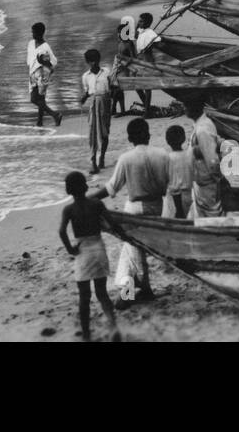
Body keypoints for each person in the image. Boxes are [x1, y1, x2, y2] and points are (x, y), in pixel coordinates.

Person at [88, 118, 169, 307]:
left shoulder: (126, 158)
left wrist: (90, 199)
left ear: (130, 138)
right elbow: (169, 186)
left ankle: (129, 293)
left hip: (135, 209)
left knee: (131, 250)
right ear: (148, 134)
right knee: (133, 249)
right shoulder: (162, 155)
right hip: (157, 207)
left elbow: (111, 188)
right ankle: (144, 289)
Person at [58, 171, 121, 342]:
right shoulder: (97, 204)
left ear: (68, 190)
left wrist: (70, 249)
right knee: (102, 293)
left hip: (83, 251)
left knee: (84, 296)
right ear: (85, 186)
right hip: (99, 249)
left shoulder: (69, 209)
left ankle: (86, 335)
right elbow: (113, 224)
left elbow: (62, 231)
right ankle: (113, 326)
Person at [185, 97, 228, 217]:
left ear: (194, 109)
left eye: (187, 106)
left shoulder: (202, 129)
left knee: (210, 213)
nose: (185, 110)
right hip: (202, 178)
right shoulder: (202, 124)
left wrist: (218, 178)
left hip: (207, 180)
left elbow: (212, 159)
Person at [80, 49, 113, 173]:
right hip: (93, 104)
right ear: (89, 62)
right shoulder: (86, 76)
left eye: (96, 61)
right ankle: (93, 161)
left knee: (104, 132)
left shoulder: (106, 72)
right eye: (91, 62)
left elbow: (112, 87)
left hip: (105, 103)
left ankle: (102, 157)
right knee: (92, 133)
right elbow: (88, 91)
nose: (94, 63)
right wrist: (84, 97)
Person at [27, 22, 62, 126]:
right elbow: (30, 59)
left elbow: (54, 61)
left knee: (34, 99)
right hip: (33, 73)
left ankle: (55, 114)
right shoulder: (31, 43)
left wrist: (45, 63)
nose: (32, 34)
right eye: (32, 32)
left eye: (34, 32)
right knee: (40, 99)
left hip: (43, 74)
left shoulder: (45, 47)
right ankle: (40, 121)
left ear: (40, 33)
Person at [133, 13, 164, 116]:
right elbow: (134, 35)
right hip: (140, 61)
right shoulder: (141, 32)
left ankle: (147, 111)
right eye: (139, 21)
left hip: (148, 62)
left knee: (147, 87)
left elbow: (160, 43)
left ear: (146, 22)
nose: (139, 22)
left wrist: (153, 43)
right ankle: (147, 107)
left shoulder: (151, 33)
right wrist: (138, 25)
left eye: (141, 21)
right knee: (137, 86)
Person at [163, 125, 194, 219]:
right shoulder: (190, 157)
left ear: (167, 141)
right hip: (189, 196)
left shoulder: (166, 160)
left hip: (173, 200)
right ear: (184, 139)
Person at [110, 18, 135, 117]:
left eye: (120, 32)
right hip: (119, 68)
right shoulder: (120, 43)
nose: (119, 34)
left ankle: (115, 109)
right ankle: (118, 109)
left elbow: (133, 57)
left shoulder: (129, 44)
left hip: (126, 68)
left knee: (117, 88)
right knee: (113, 87)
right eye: (119, 32)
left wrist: (125, 62)